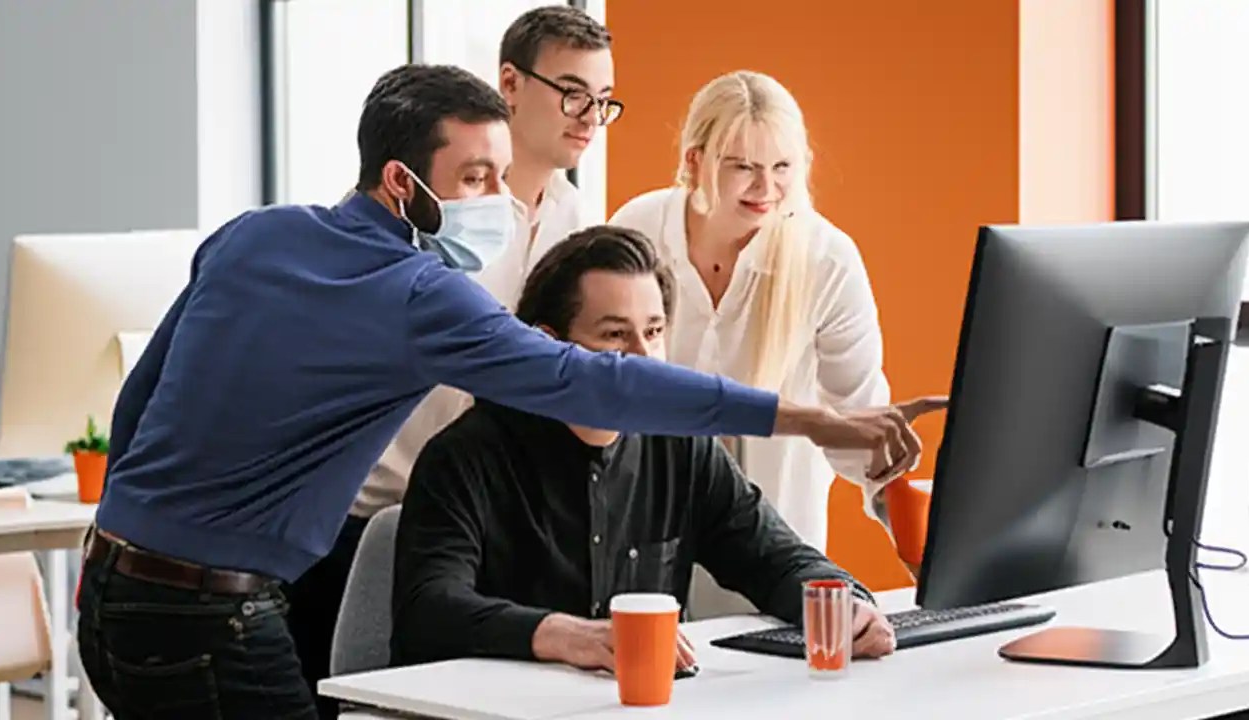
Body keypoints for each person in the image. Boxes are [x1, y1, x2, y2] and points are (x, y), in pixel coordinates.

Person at [76, 63, 934, 719]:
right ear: (401, 184)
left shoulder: (255, 234)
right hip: (213, 622)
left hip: (110, 596)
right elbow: (591, 383)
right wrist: (807, 416)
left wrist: (114, 533)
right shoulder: (423, 297)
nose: (500, 201)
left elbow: (140, 400)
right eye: (478, 179)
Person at [285, 7, 621, 716]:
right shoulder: (430, 217)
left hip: (489, 537)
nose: (589, 115)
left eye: (602, 100)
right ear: (510, 83)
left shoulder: (582, 227)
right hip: (368, 514)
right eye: (571, 92)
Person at [389, 226, 899, 672]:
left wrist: (845, 606)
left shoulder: (684, 447)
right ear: (545, 346)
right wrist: (566, 636)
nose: (643, 360)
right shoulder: (465, 456)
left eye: (654, 333)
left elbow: (776, 559)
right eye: (615, 336)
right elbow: (430, 610)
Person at [608, 70, 913, 618]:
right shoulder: (637, 229)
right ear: (696, 161)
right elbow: (606, 382)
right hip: (641, 548)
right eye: (743, 168)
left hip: (770, 550)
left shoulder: (826, 259)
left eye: (781, 168)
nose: (765, 188)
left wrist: (913, 527)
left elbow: (856, 416)